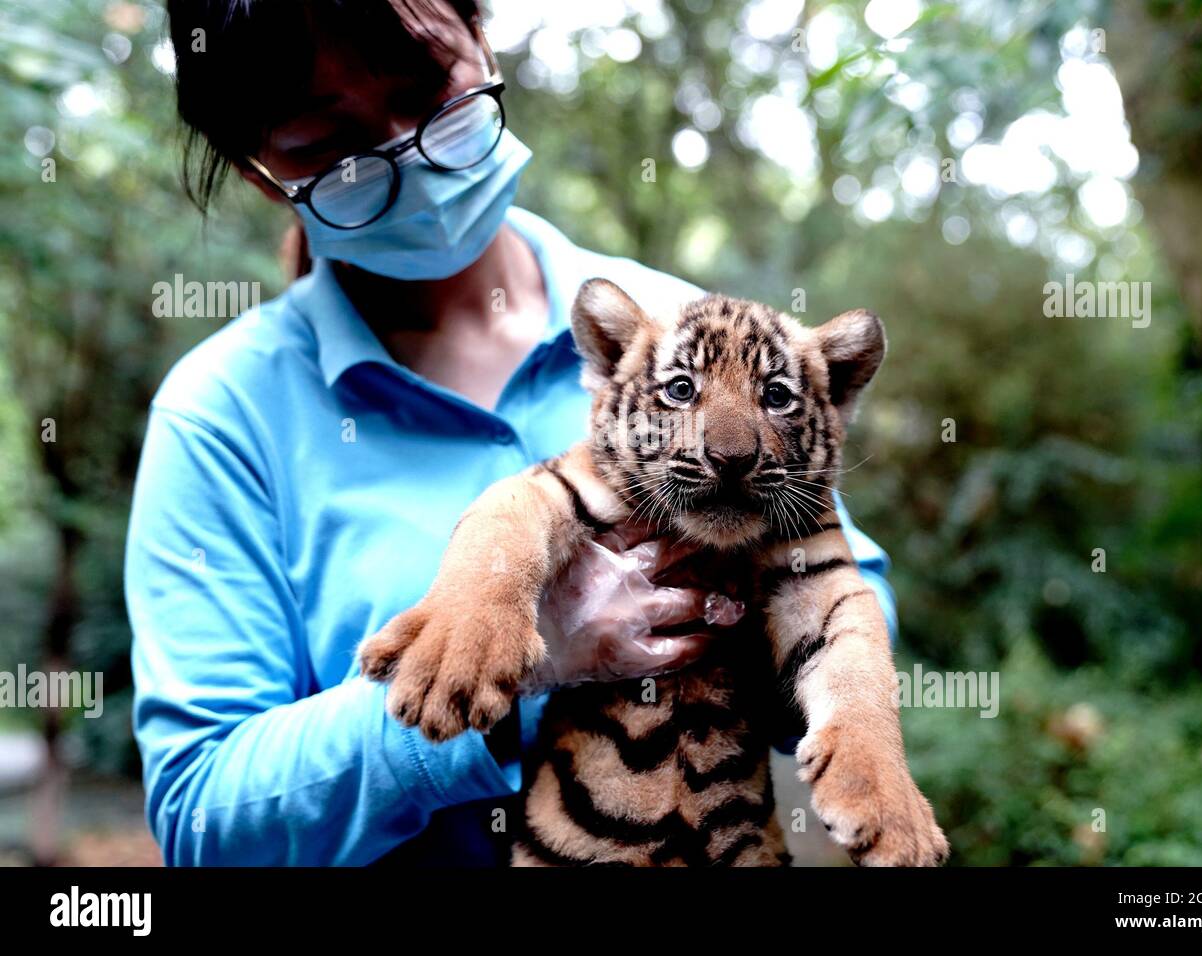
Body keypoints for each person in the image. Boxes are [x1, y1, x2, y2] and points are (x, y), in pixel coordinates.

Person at [127, 0, 896, 865]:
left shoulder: (670, 324)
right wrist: (505, 676)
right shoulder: (219, 415)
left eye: (426, 87)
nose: (403, 149)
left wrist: (799, 678)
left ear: (483, 39)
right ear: (263, 174)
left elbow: (839, 580)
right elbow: (203, 819)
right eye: (325, 144)